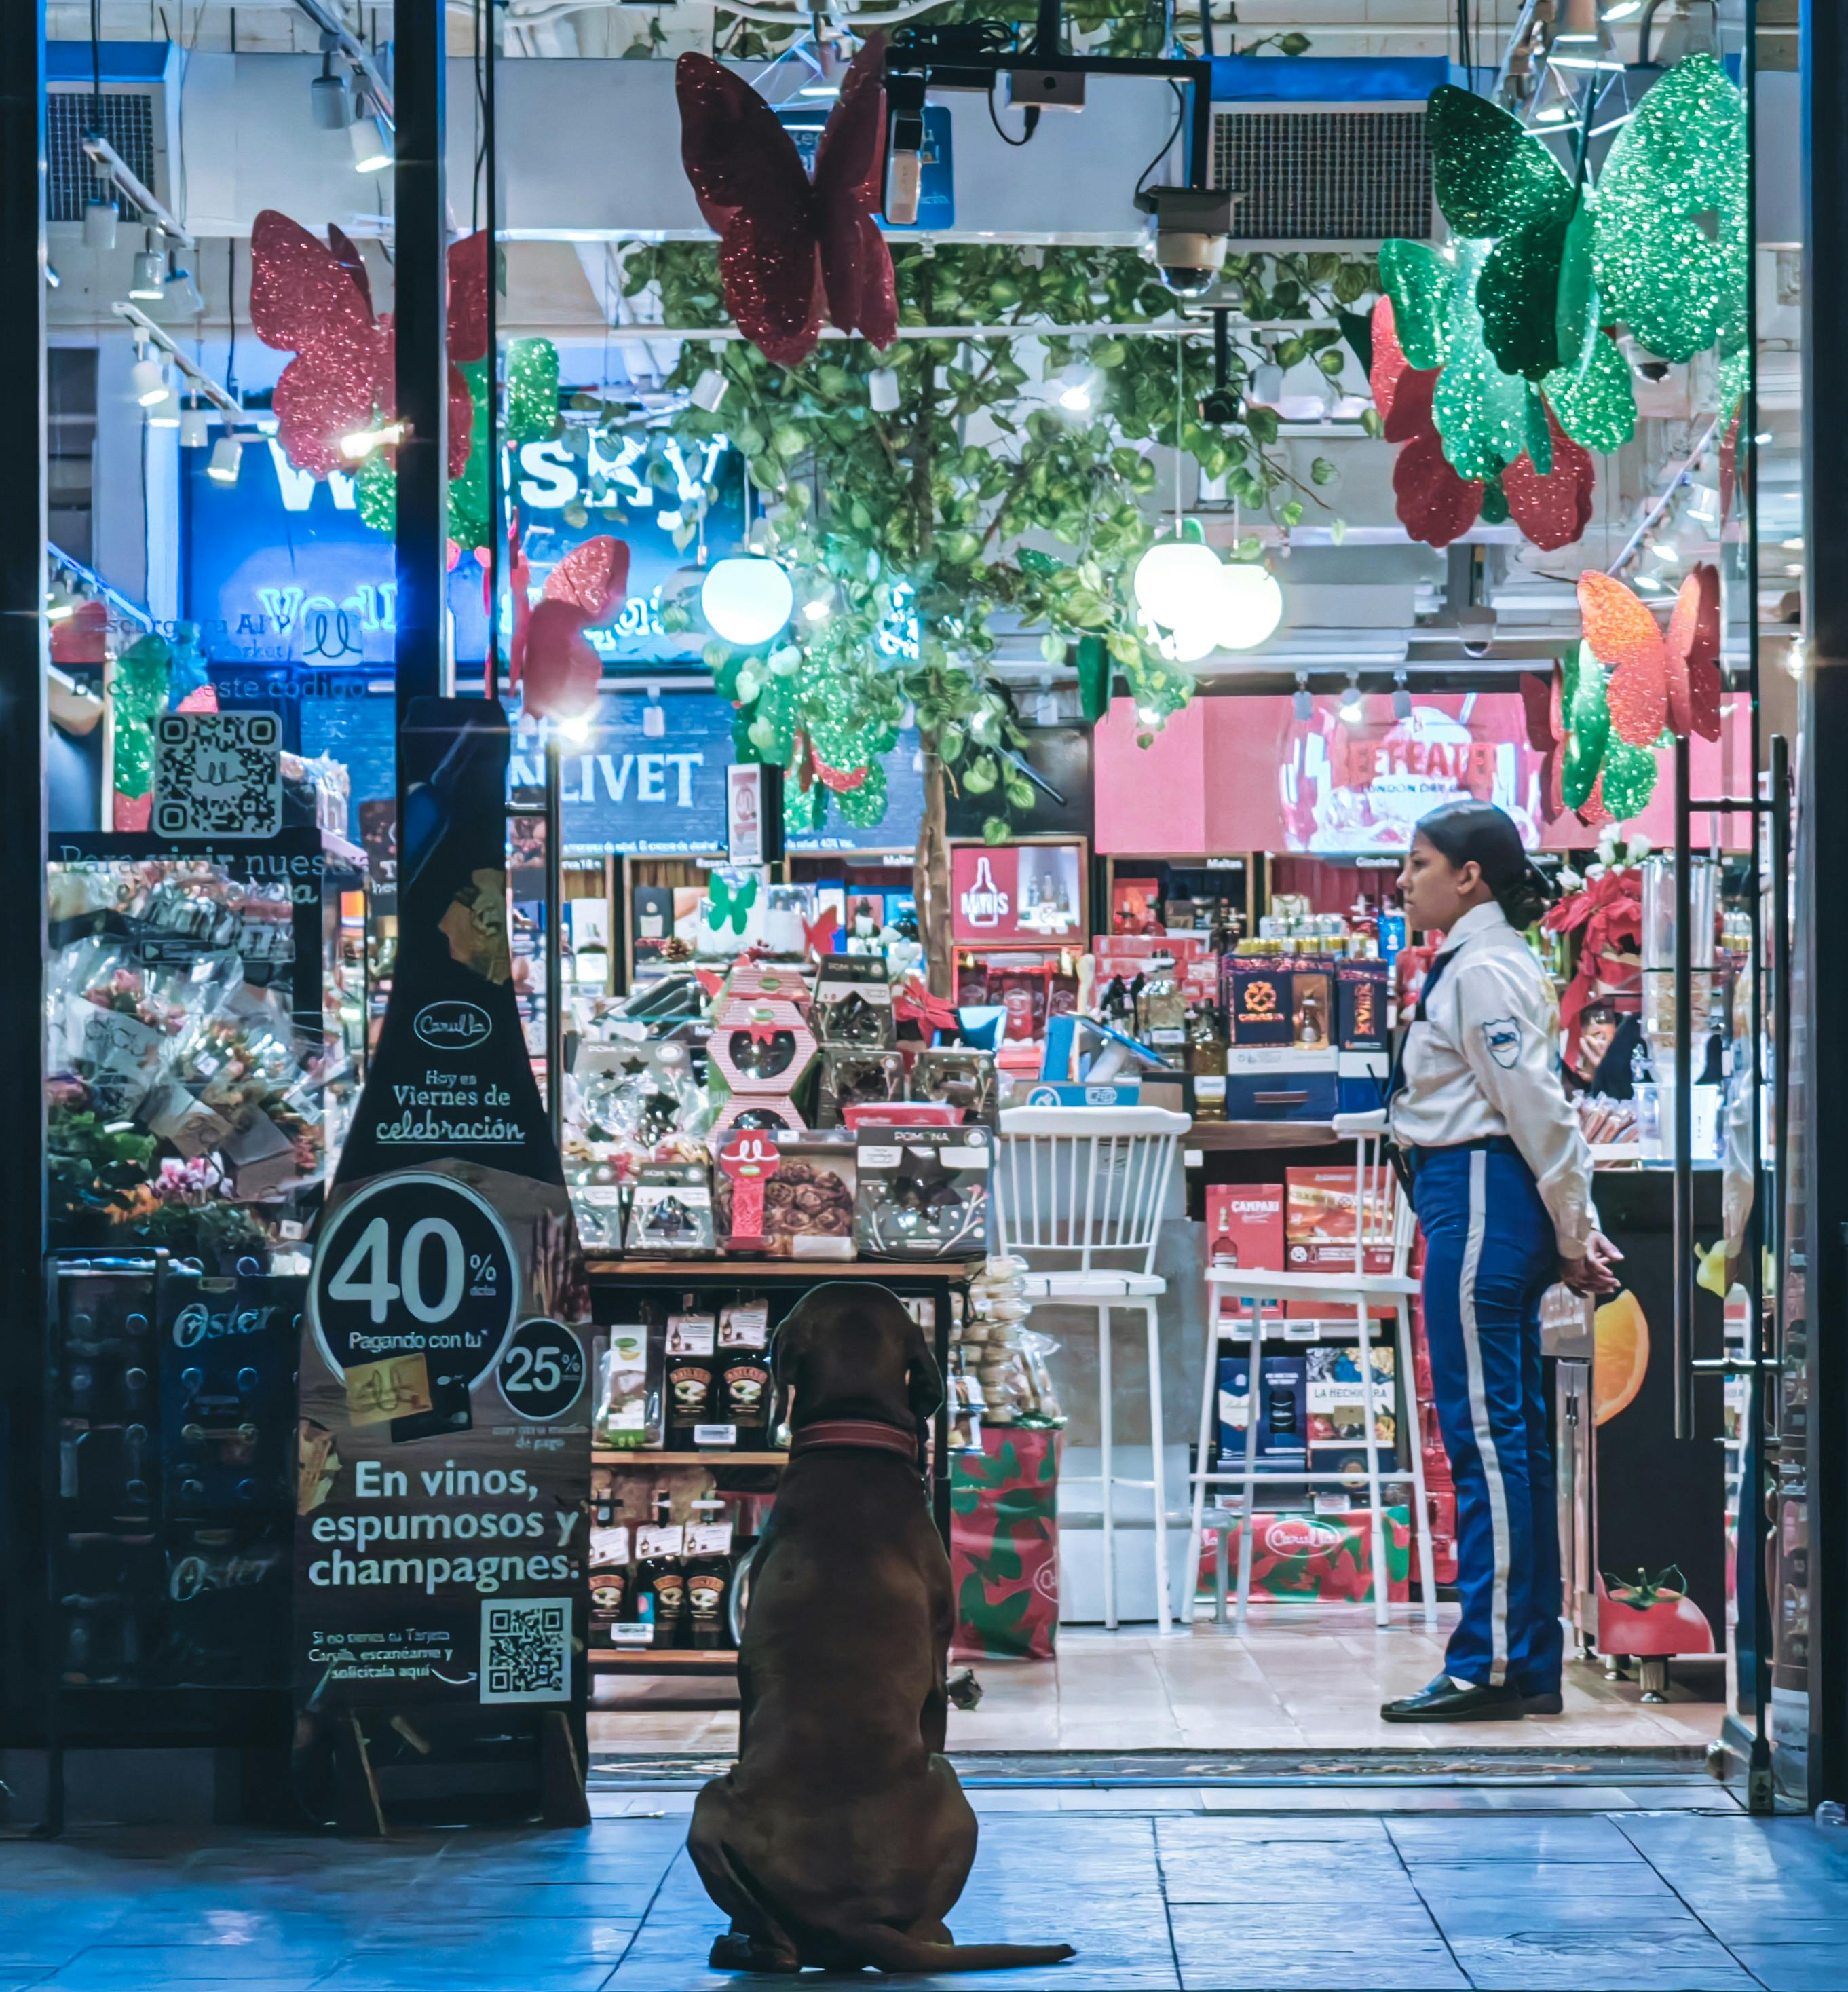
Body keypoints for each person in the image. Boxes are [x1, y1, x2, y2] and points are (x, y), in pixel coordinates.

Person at [1381, 800, 1621, 1723]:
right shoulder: (1483, 965)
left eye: (1418, 864)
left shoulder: (1480, 969)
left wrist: (1573, 1227)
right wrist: (1567, 1223)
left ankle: (1486, 1662)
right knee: (1509, 1439)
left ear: (1469, 876)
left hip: (1479, 1200)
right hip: (1482, 1197)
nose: (1405, 881)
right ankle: (1524, 1662)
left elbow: (1536, 1107)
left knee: (1485, 1441)